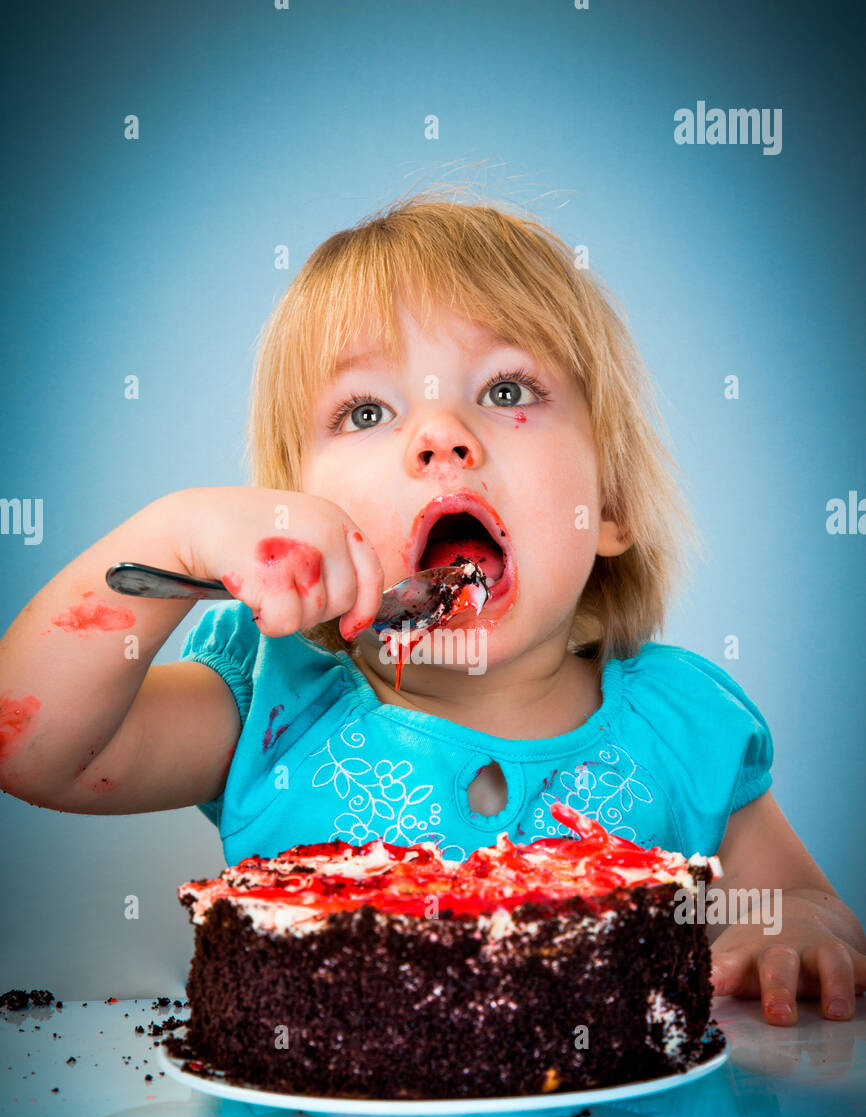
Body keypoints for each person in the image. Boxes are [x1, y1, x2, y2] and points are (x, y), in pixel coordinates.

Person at [1, 194, 862, 1027]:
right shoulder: (272, 707)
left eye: (506, 392)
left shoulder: (684, 731)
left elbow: (794, 903)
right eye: (367, 410)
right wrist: (174, 533)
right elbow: (37, 749)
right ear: (294, 515)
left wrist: (795, 926)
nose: (442, 436)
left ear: (609, 508)